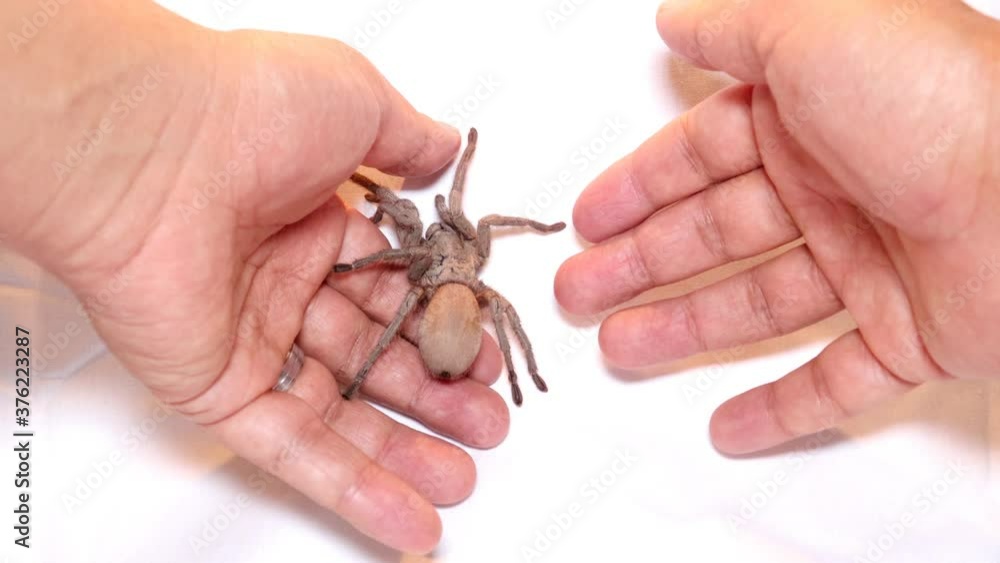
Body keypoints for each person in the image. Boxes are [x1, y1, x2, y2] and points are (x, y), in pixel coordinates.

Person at [1, 0, 996, 554]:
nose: (441, 226)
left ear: (465, 257)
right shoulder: (469, 273)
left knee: (394, 303)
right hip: (462, 305)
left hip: (447, 306)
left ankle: (474, 369)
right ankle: (492, 373)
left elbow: (446, 215)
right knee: (408, 297)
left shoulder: (437, 260)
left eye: (457, 234)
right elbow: (445, 233)